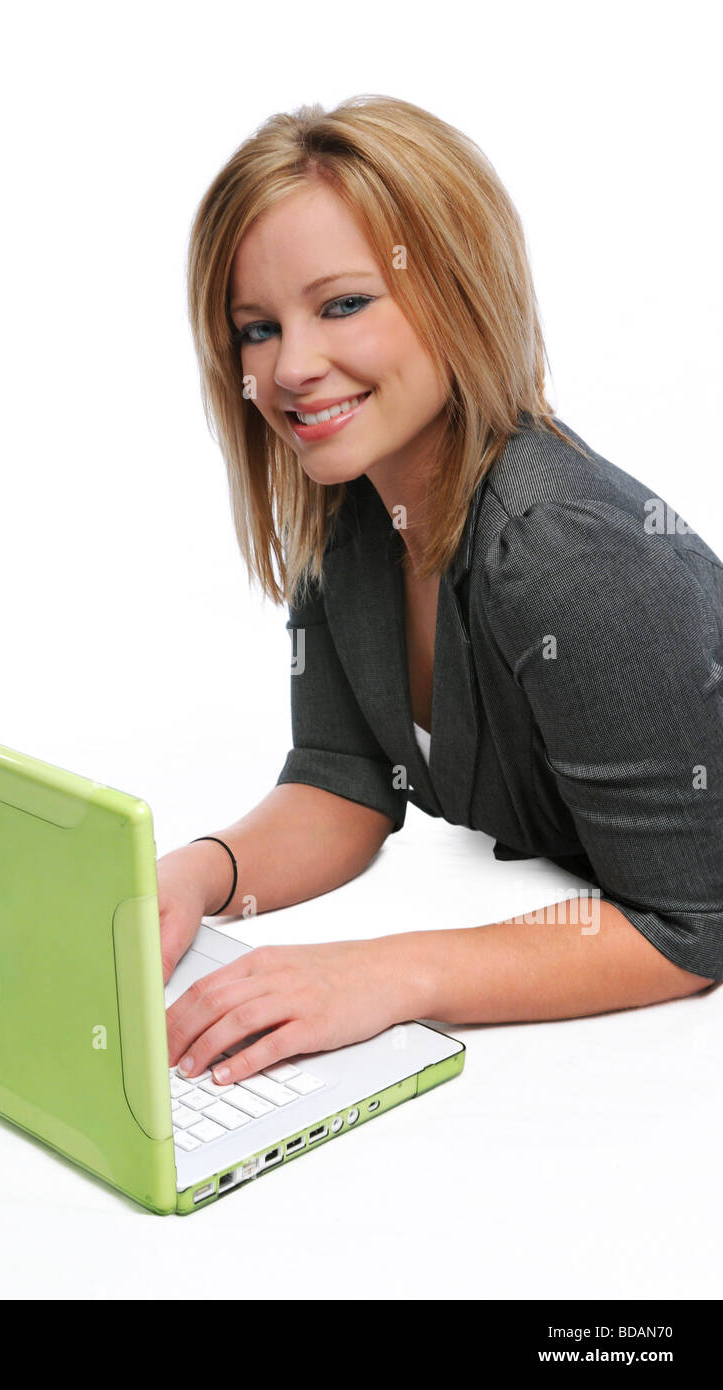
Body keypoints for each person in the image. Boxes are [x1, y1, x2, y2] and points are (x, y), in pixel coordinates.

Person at [160, 95, 722, 1091]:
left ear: (459, 290)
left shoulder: (559, 553)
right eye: (255, 326)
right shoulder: (351, 517)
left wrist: (384, 973)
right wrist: (194, 878)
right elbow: (339, 782)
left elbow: (691, 926)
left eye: (342, 304)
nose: (289, 367)